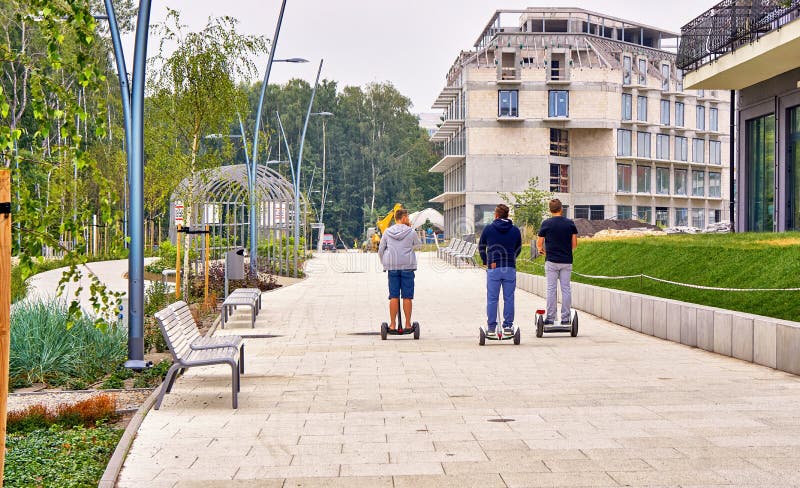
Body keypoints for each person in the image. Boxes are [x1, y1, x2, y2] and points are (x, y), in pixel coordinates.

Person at [478, 204, 522, 335]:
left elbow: (481, 246)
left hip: (494, 267)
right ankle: (508, 326)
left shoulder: (488, 229)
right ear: (507, 215)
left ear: (496, 215)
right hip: (509, 267)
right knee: (509, 298)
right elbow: (518, 248)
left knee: (492, 298)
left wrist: (486, 260)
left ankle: (491, 327)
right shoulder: (515, 230)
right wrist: (512, 258)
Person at [536, 198, 578, 325]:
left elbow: (539, 244)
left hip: (551, 261)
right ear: (561, 209)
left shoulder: (546, 223)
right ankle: (565, 319)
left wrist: (541, 250)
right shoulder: (570, 223)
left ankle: (550, 318)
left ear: (550, 210)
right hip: (566, 261)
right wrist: (564, 249)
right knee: (566, 289)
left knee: (551, 289)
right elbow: (575, 244)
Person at [378, 208, 422, 330]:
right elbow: (419, 246)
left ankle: (392, 325)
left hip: (392, 267)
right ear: (402, 218)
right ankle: (408, 324)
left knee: (393, 296)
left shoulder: (387, 232)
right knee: (407, 296)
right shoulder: (411, 231)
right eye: (407, 217)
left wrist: (384, 263)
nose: (408, 219)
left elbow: (381, 250)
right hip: (407, 266)